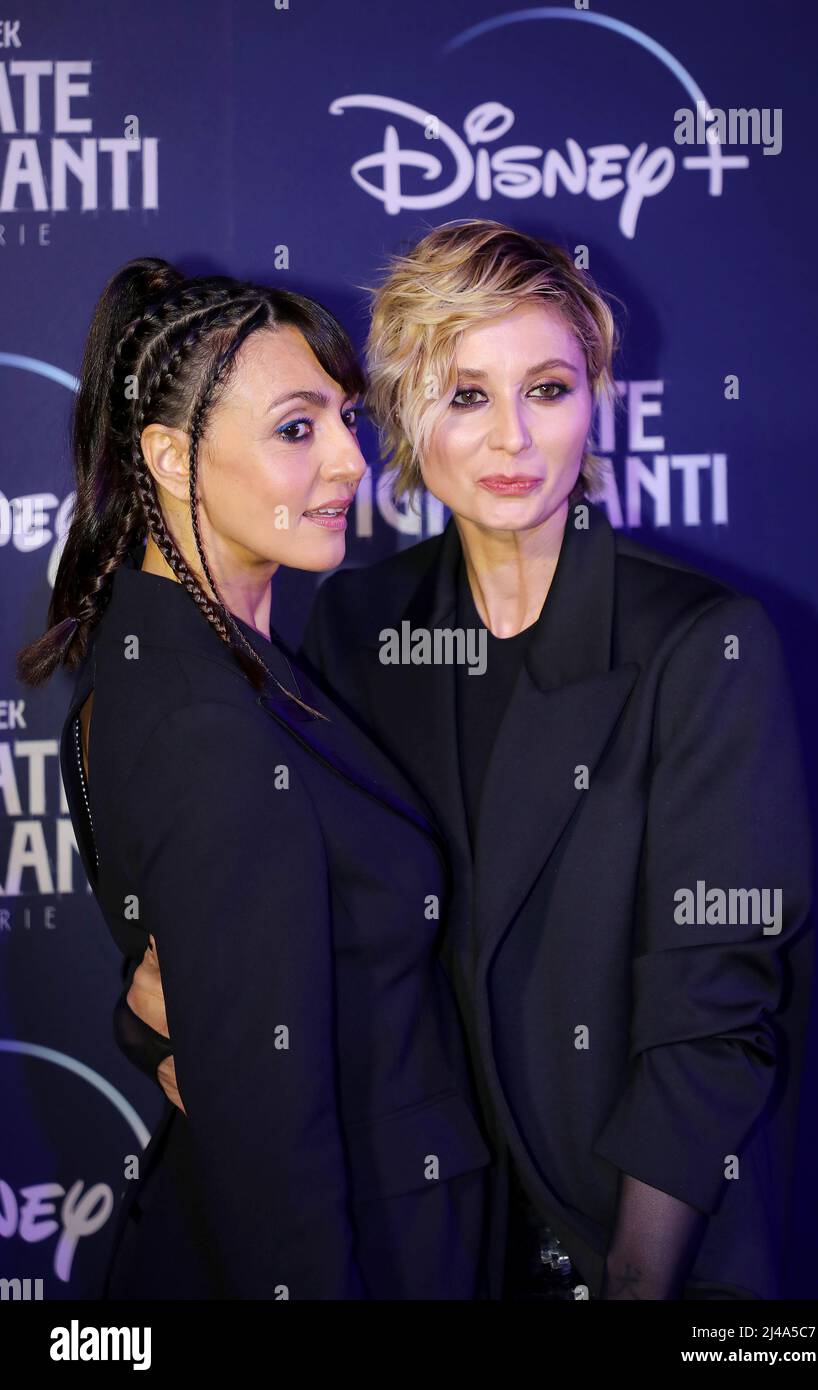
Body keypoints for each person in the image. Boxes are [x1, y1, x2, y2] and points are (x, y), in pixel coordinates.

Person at [124, 220, 814, 1300]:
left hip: (639, 1247)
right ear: (403, 413)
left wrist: (634, 1276)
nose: (512, 442)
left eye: (546, 388)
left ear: (594, 401)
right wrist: (164, 1015)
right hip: (425, 1245)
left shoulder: (700, 643)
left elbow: (711, 1014)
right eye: (464, 395)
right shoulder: (354, 625)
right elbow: (301, 923)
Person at [17, 258, 492, 1300]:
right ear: (171, 459)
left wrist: (151, 1024)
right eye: (295, 428)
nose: (347, 464)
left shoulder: (198, 664)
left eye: (343, 420)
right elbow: (272, 1155)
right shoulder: (205, 719)